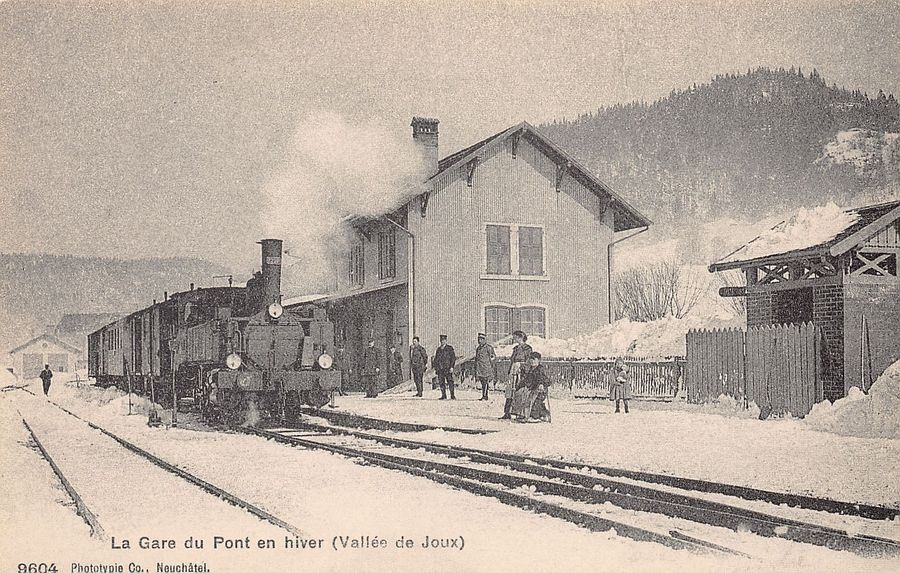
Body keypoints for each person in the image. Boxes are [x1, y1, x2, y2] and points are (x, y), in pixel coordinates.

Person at [511, 352, 551, 422]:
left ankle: (528, 415)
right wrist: (520, 386)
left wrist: (541, 384)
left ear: (539, 360)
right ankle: (520, 414)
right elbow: (527, 380)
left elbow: (544, 379)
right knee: (519, 393)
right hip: (530, 388)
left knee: (528, 397)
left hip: (539, 390)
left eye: (534, 360)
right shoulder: (530, 369)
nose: (532, 361)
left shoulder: (540, 369)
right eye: (531, 360)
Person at [500, 331, 532, 419]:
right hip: (513, 370)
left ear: (520, 337)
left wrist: (523, 370)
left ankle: (519, 413)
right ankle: (507, 412)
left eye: (515, 337)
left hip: (521, 371)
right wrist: (510, 370)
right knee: (510, 391)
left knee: (518, 391)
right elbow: (512, 360)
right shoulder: (515, 348)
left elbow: (529, 361)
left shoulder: (527, 348)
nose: (514, 339)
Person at [432, 334, 457, 400]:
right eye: (441, 340)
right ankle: (443, 395)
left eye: (443, 340)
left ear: (446, 341)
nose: (442, 342)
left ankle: (452, 395)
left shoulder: (449, 348)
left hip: (447, 368)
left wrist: (452, 367)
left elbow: (453, 358)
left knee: (450, 382)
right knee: (441, 382)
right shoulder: (439, 349)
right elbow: (436, 359)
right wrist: (436, 368)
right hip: (440, 369)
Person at [474, 333, 496, 401]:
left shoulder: (489, 348)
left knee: (485, 382)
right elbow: (477, 358)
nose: (479, 341)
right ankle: (483, 395)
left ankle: (485, 396)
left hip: (486, 367)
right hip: (480, 368)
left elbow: (493, 357)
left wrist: (491, 366)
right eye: (479, 339)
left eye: (481, 339)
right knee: (482, 382)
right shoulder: (478, 348)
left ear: (484, 340)